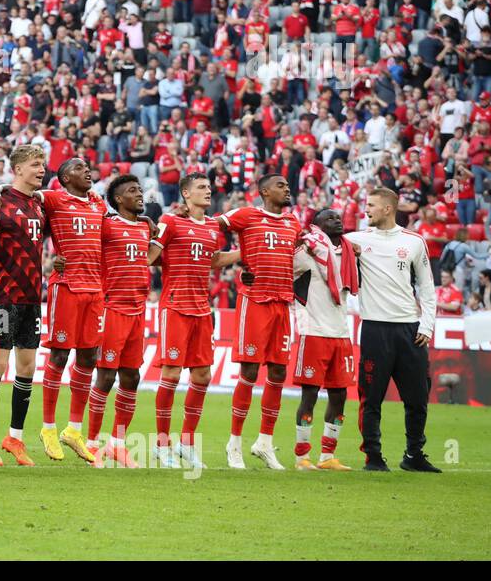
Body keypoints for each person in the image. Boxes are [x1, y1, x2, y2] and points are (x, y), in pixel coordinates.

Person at [345, 188, 440, 472]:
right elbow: (319, 244)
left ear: (388, 209)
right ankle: (373, 456)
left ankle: (414, 456)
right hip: (374, 329)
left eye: (371, 205)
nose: (366, 210)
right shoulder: (354, 240)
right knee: (371, 398)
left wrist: (427, 324)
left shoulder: (413, 242)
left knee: (418, 399)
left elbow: (426, 286)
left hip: (411, 330)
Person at [149, 174, 239, 469]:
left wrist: (243, 253)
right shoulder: (171, 222)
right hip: (175, 306)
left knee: (202, 376)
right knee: (172, 375)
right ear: (185, 193)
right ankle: (162, 445)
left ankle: (187, 444)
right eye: (201, 187)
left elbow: (212, 260)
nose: (208, 191)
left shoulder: (213, 226)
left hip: (202, 310)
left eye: (209, 187)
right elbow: (151, 256)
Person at [217, 174, 302, 470]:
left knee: (279, 371)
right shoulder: (247, 215)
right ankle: (234, 443)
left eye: (287, 185)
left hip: (282, 302)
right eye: (280, 185)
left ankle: (264, 442)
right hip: (254, 301)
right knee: (250, 370)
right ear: (264, 191)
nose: (287, 188)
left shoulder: (293, 222)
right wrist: (234, 259)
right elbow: (215, 226)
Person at [0, 144, 46, 467]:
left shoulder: (40, 204)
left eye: (43, 164)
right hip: (3, 295)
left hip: (32, 297)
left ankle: (14, 437)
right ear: (17, 169)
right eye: (35, 164)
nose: (42, 169)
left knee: (28, 367)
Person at [39, 157, 105, 464]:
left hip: (95, 290)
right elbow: (20, 195)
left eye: (88, 167)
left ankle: (73, 430)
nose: (87, 171)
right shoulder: (53, 199)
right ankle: (49, 428)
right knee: (60, 355)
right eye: (79, 168)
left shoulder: (98, 204)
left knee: (89, 356)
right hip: (65, 286)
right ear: (65, 178)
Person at [87, 174, 153, 468]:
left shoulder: (144, 228)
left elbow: (147, 258)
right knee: (106, 376)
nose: (139, 194)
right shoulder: (107, 225)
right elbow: (85, 246)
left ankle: (117, 444)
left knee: (132, 377)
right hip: (111, 309)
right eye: (132, 191)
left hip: (138, 310)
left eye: (140, 190)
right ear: (117, 199)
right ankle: (90, 444)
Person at [290, 209, 360, 471]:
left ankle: (328, 456)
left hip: (341, 332)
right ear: (317, 225)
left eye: (339, 217)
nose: (337, 220)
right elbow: (286, 267)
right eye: (329, 218)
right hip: (314, 330)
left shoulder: (349, 252)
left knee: (340, 394)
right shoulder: (307, 252)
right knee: (310, 394)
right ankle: (302, 457)